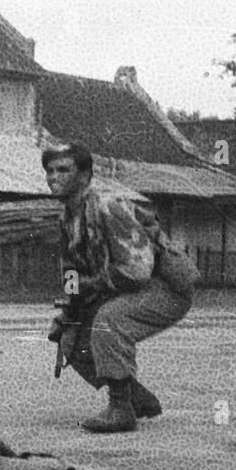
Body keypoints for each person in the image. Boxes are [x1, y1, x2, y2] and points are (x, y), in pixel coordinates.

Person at [44, 141, 191, 433]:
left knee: (108, 322)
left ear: (85, 175)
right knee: (69, 339)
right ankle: (137, 398)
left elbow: (137, 270)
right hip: (123, 288)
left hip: (163, 287)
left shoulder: (108, 206)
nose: (53, 176)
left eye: (63, 169)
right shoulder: (67, 218)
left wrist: (92, 288)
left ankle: (120, 408)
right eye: (49, 170)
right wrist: (70, 310)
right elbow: (71, 273)